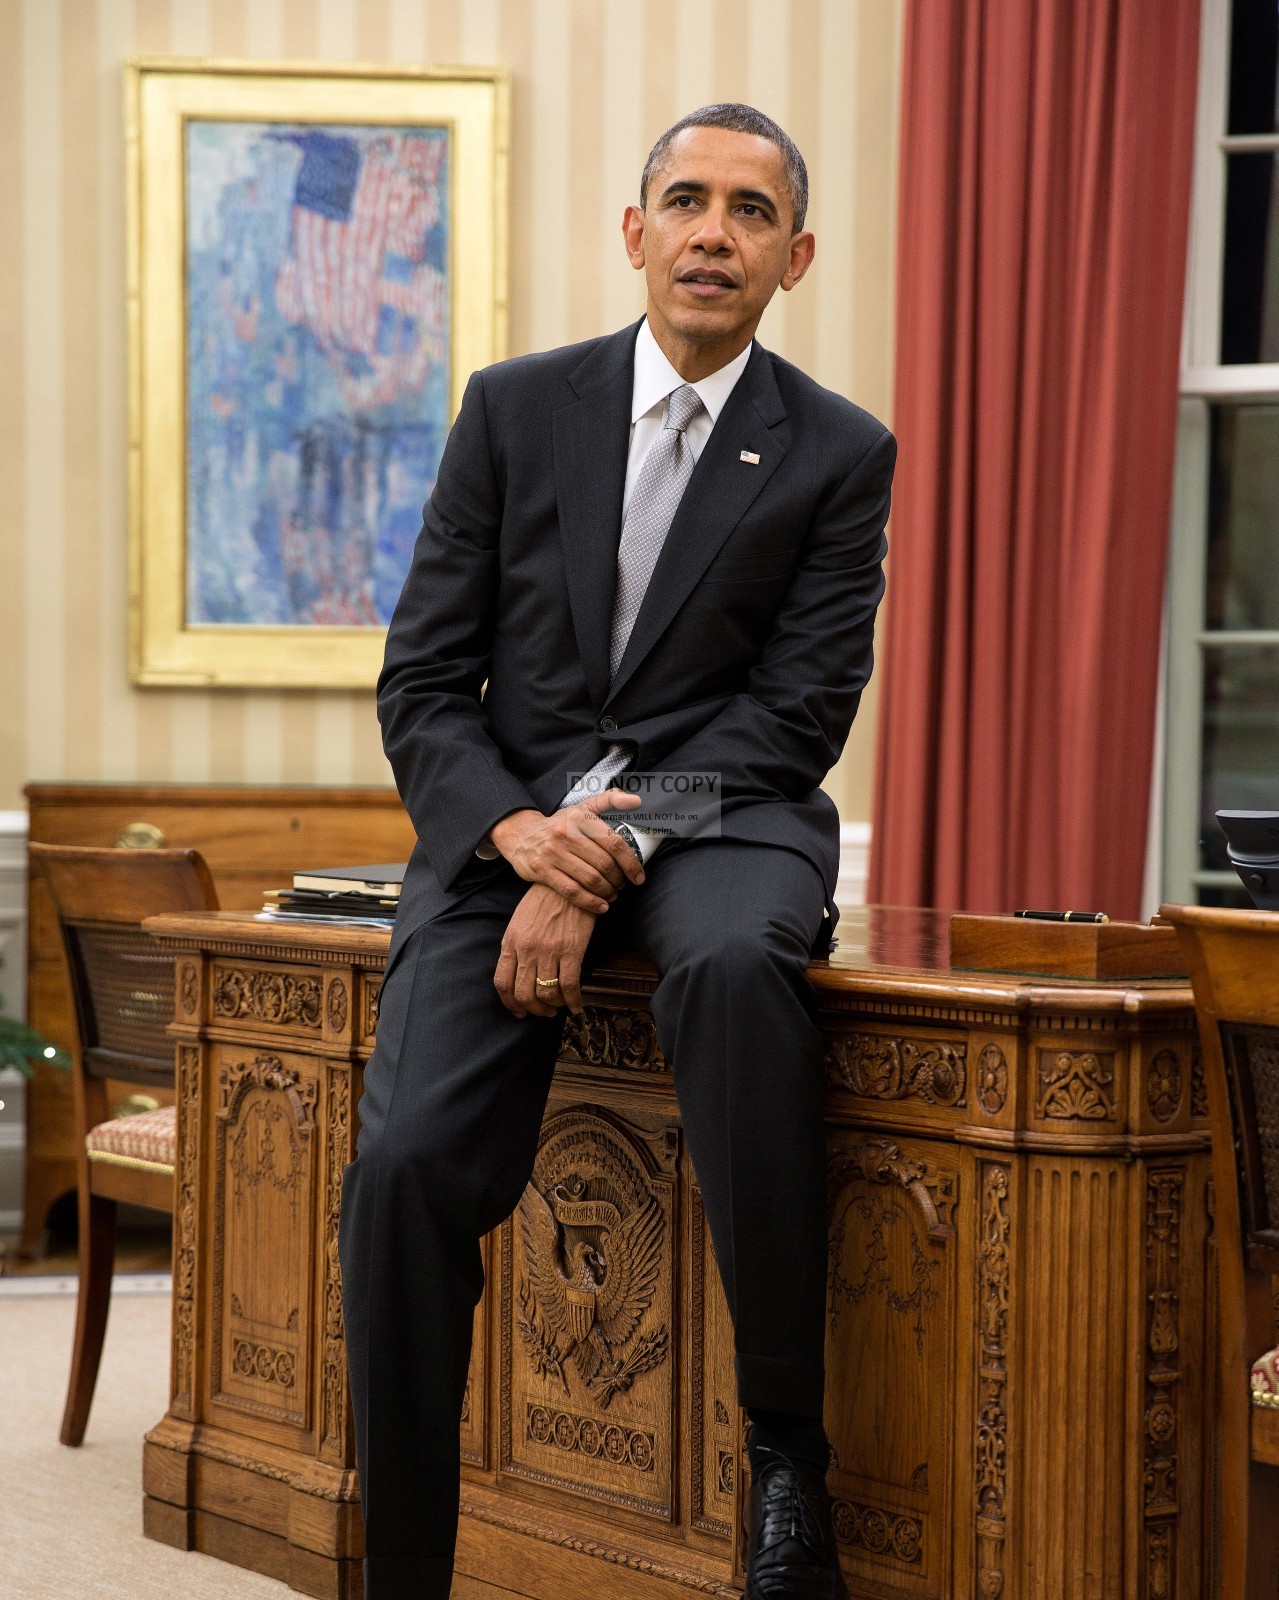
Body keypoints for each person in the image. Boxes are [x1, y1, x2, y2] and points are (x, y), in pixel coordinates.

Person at [338, 102, 896, 1600]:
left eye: (752, 212)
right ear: (636, 233)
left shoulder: (841, 452)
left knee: (730, 969)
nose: (717, 232)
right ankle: (401, 1561)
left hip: (726, 813)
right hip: (506, 823)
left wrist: (605, 846)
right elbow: (421, 682)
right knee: (401, 1164)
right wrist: (523, 838)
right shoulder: (514, 410)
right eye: (688, 202)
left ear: (795, 257)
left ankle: (787, 1454)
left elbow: (795, 717)